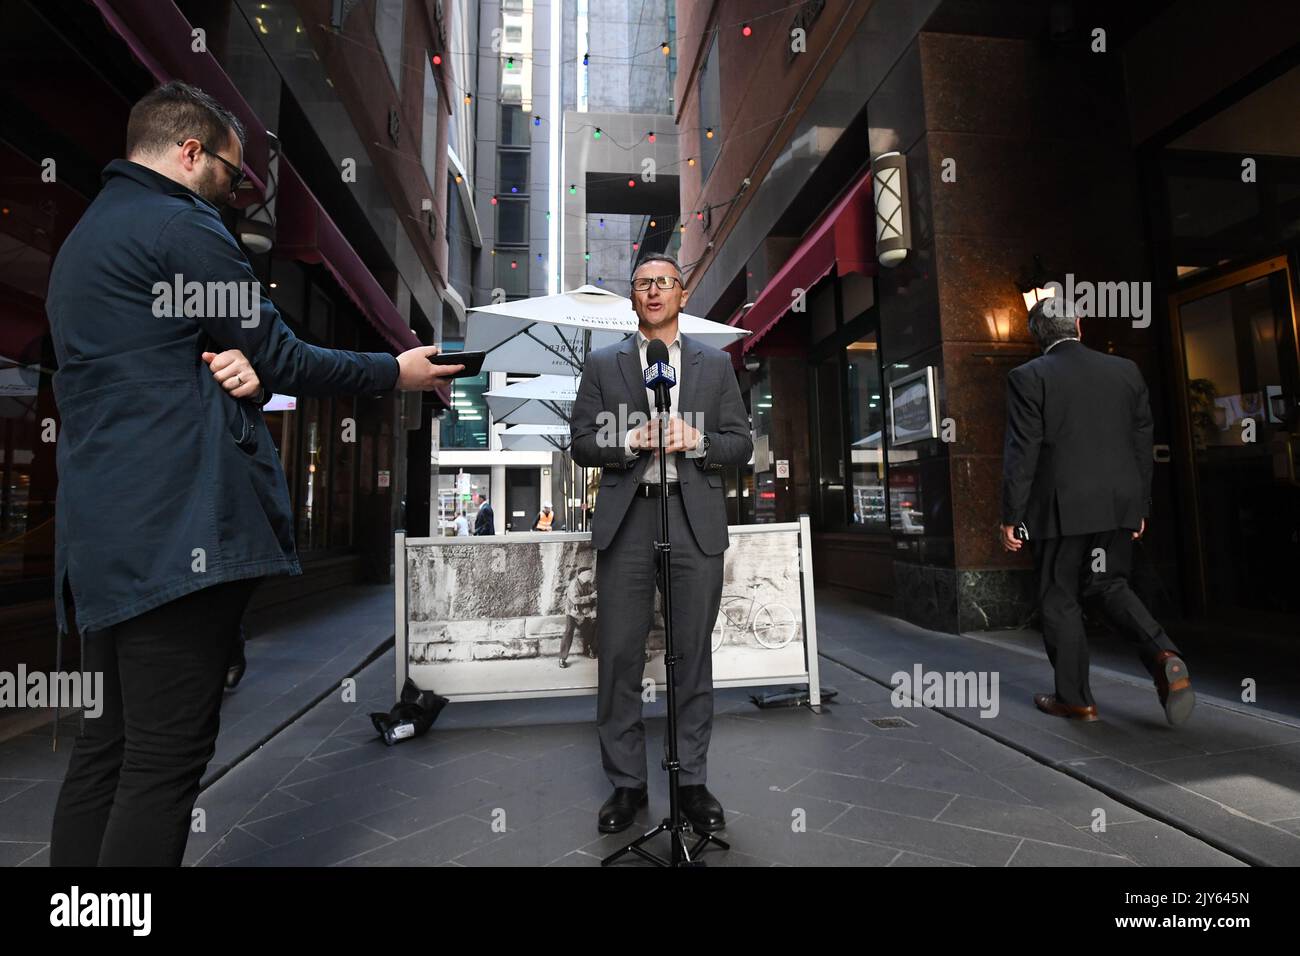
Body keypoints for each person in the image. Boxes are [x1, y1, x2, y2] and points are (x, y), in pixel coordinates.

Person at [44, 81, 463, 867]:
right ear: (191, 152)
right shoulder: (182, 224)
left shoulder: (88, 238)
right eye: (237, 179)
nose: (239, 197)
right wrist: (395, 371)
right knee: (163, 763)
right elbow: (280, 353)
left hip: (102, 536)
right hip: (176, 535)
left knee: (107, 750)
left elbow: (163, 368)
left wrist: (229, 373)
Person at [570, 252, 753, 834]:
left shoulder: (716, 365)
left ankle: (692, 782)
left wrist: (697, 440)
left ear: (681, 294)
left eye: (664, 283)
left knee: (691, 655)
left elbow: (740, 444)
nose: (654, 291)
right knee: (620, 656)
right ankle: (626, 785)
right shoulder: (602, 364)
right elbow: (580, 442)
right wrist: (626, 441)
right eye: (643, 283)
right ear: (633, 298)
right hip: (628, 520)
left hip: (692, 517)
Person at [1001, 297, 1194, 726]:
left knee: (1060, 596)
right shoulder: (1125, 371)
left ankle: (1076, 700)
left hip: (1061, 508)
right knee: (1108, 584)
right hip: (1117, 505)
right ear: (1080, 325)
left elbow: (1022, 450)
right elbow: (1142, 442)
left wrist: (1011, 516)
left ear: (1036, 336)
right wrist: (1139, 505)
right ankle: (1163, 653)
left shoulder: (1028, 377)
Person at [558, 568, 597, 667]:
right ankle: (562, 658)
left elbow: (596, 600)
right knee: (568, 631)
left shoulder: (590, 585)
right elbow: (575, 600)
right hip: (573, 613)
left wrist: (594, 611)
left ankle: (589, 650)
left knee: (594, 627)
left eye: (591, 573)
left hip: (585, 613)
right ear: (581, 574)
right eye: (588, 573)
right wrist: (590, 597)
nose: (590, 575)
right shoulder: (573, 584)